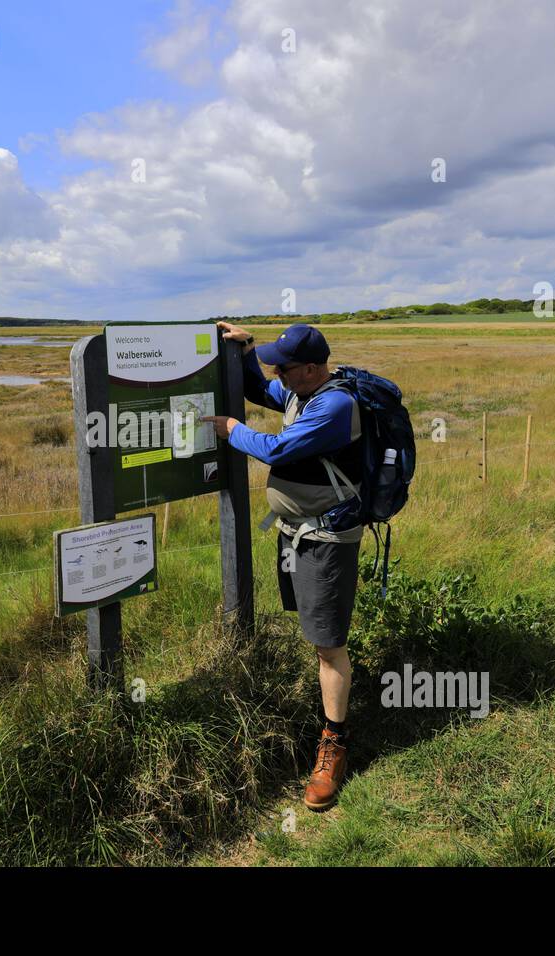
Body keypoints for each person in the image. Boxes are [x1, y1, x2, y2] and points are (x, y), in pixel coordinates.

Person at [200, 320, 362, 811]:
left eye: (284, 366)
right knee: (315, 635)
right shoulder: (300, 391)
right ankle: (321, 712)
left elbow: (278, 448)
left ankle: (333, 746)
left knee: (329, 644)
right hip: (297, 534)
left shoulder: (335, 405)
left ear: (311, 368)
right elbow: (257, 386)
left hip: (327, 539)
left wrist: (232, 431)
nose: (277, 372)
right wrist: (246, 351)